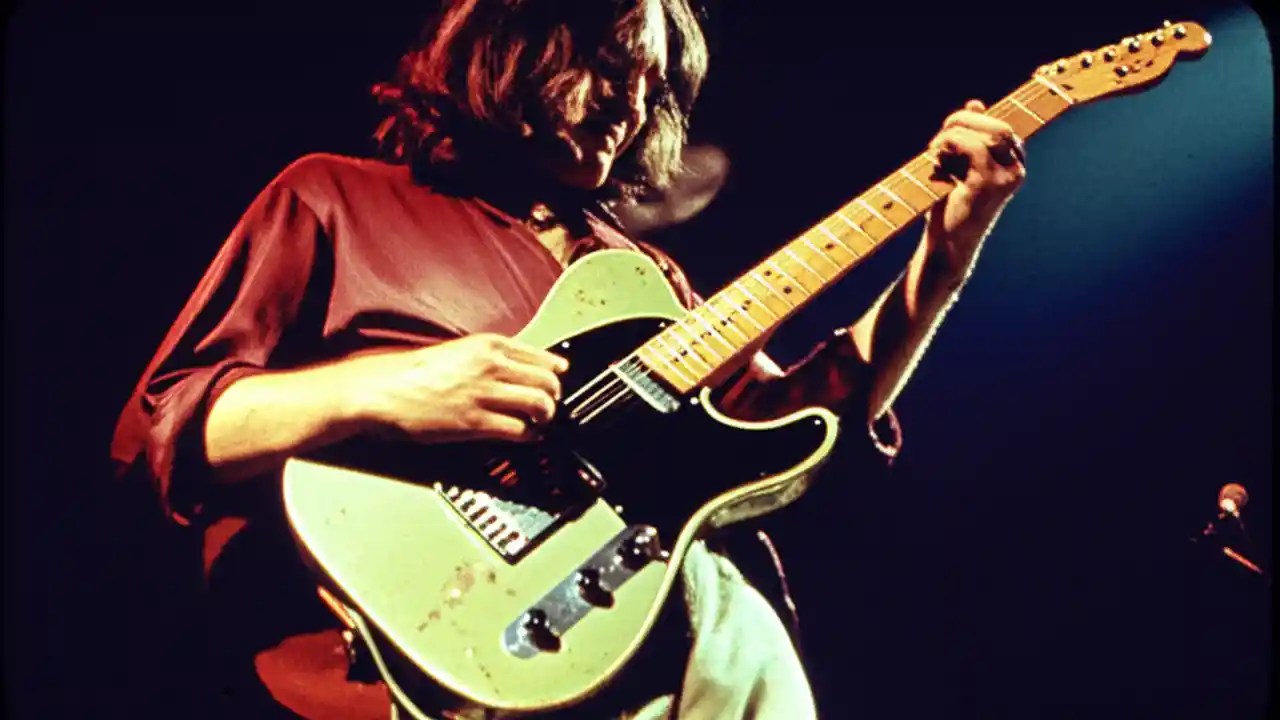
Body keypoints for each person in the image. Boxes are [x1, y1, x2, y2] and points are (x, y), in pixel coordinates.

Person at [110, 0, 1026, 717]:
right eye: (613, 63)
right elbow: (161, 429)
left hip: (637, 661)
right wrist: (392, 388)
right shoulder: (337, 198)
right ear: (517, 39)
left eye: (653, 85)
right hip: (394, 661)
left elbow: (795, 425)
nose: (634, 104)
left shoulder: (644, 277)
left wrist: (944, 257)